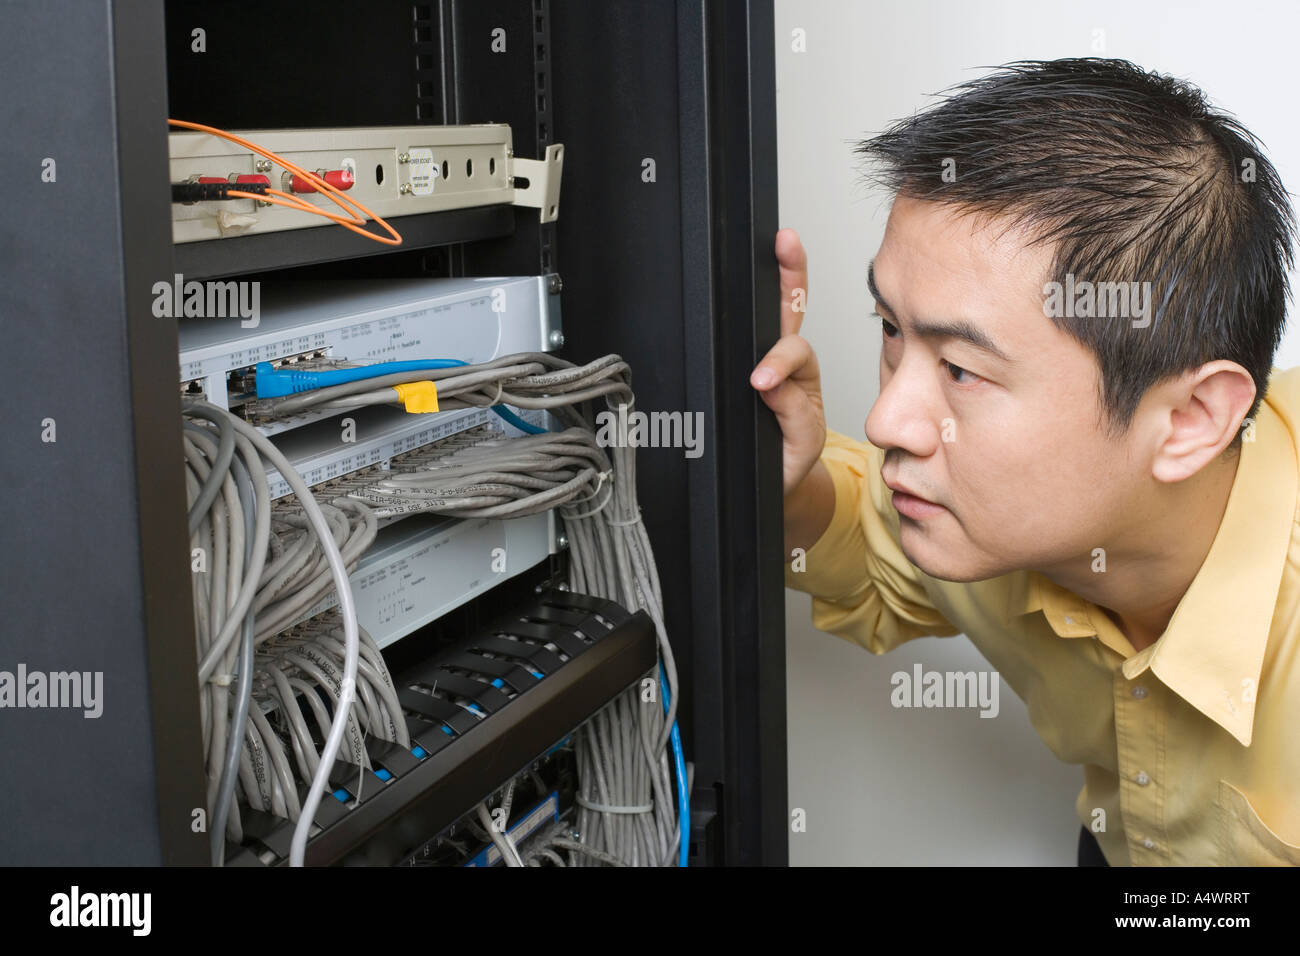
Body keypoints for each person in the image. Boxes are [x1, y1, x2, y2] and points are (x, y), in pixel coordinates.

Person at [754, 58, 1300, 866]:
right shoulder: (976, 513)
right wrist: (784, 474)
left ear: (1188, 420)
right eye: (891, 329)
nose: (883, 421)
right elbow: (867, 553)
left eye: (963, 371)